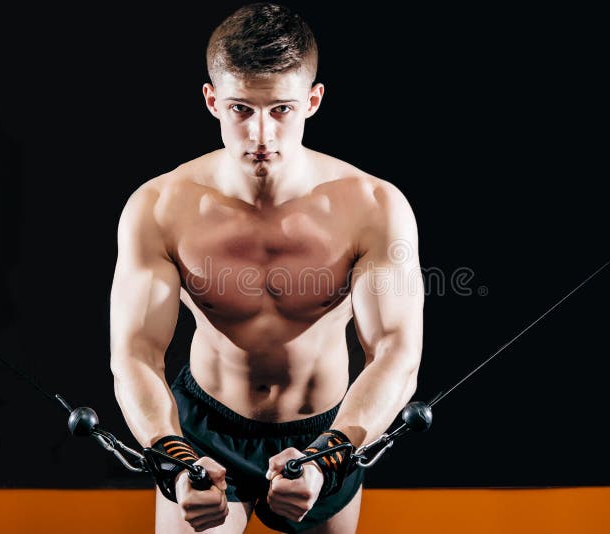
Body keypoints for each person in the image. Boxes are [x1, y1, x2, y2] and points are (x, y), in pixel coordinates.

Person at [109, 3, 424, 533]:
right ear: (212, 100)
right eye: (240, 108)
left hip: (329, 431)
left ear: (312, 101)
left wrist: (328, 457)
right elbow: (135, 354)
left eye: (281, 109)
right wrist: (173, 457)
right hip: (202, 431)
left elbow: (396, 352)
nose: (261, 134)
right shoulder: (159, 208)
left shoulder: (375, 208)